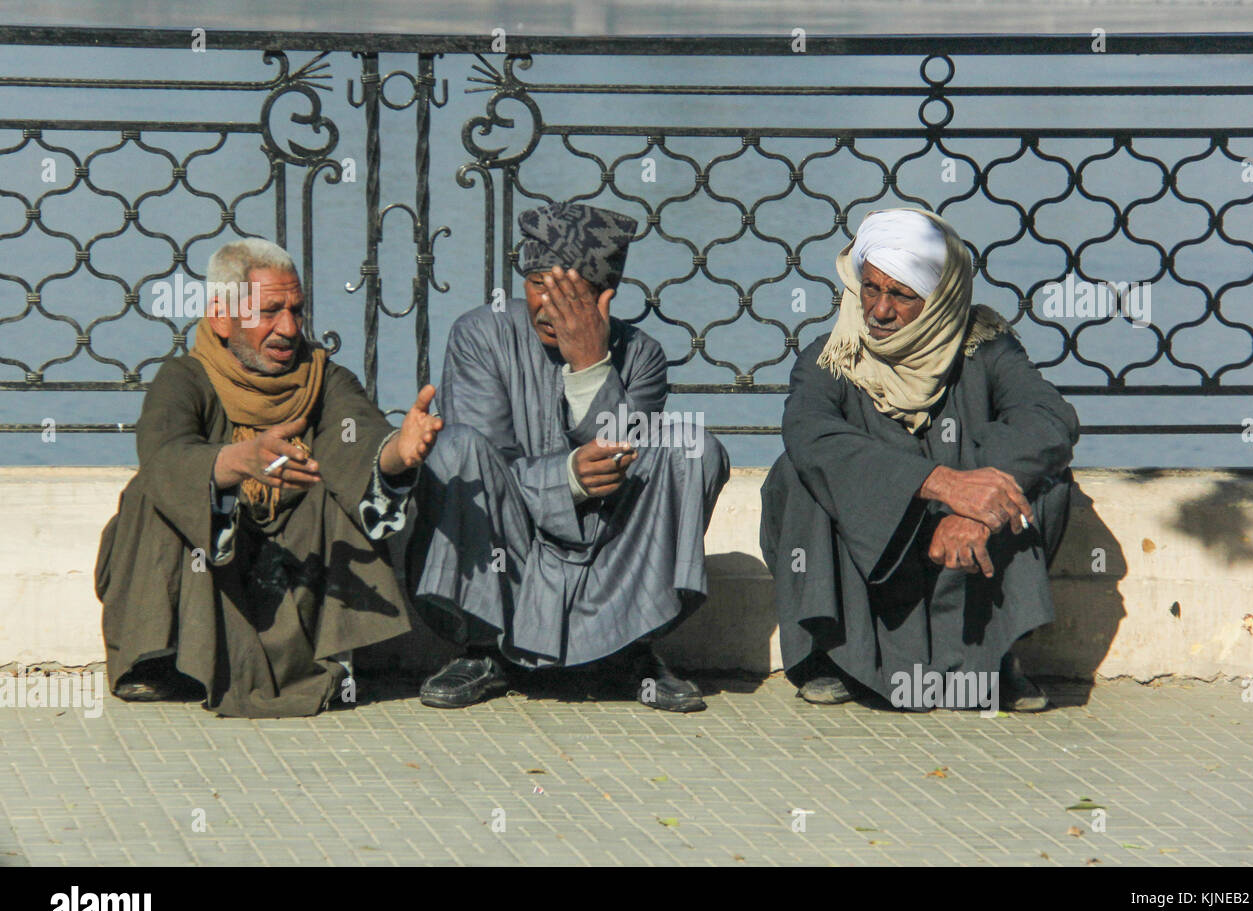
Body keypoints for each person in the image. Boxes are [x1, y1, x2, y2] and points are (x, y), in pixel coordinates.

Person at [94, 238, 443, 718]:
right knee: (154, 491)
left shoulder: (324, 378)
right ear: (221, 318)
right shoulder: (184, 379)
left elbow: (358, 441)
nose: (288, 328)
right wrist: (235, 461)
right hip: (217, 563)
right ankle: (161, 657)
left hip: (291, 565)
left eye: (296, 311)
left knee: (328, 492)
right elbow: (164, 454)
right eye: (269, 311)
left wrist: (396, 455)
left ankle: (317, 658)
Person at [405, 201, 730, 712]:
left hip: (605, 544)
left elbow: (625, 460)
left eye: (570, 294)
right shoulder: (479, 335)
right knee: (457, 448)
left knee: (693, 447)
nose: (548, 307)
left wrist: (590, 365)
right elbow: (488, 465)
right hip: (512, 543)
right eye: (538, 284)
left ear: (605, 297)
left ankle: (632, 647)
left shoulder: (640, 354)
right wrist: (567, 479)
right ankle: (484, 647)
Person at [760, 208, 1078, 713]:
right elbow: (808, 431)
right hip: (875, 550)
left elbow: (1047, 421)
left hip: (968, 552)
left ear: (939, 298)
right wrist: (936, 482)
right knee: (794, 474)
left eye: (902, 295)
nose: (880, 311)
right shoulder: (833, 355)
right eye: (871, 289)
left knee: (1047, 478)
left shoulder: (986, 349)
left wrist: (973, 507)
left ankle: (994, 658)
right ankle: (836, 657)